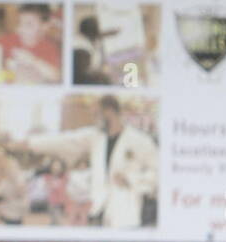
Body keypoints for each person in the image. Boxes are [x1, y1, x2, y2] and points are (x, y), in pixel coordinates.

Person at [18, 96, 158, 230]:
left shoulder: (140, 140)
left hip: (126, 212)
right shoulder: (95, 137)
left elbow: (159, 172)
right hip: (97, 209)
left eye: (97, 113)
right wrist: (30, 143)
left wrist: (130, 179)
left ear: (109, 111)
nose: (94, 118)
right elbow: (65, 140)